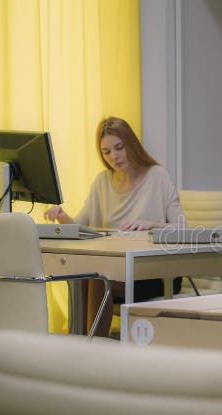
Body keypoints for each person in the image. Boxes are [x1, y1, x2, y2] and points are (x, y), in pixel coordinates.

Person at [45, 116, 186, 336]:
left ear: (131, 144)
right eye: (106, 152)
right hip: (115, 271)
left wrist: (151, 224)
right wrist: (61, 217)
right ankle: (83, 346)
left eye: (119, 148)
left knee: (98, 277)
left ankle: (92, 349)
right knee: (84, 276)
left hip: (156, 273)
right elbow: (80, 228)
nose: (114, 156)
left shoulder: (158, 176)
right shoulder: (102, 181)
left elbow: (183, 229)